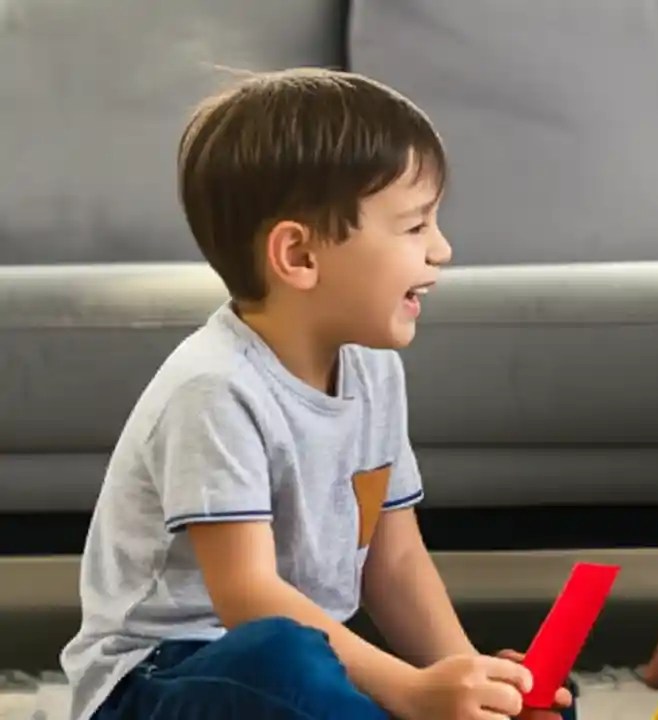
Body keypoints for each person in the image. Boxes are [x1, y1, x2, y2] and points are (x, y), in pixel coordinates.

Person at [59, 68, 574, 720]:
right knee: (286, 661)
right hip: (164, 678)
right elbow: (247, 598)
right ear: (299, 256)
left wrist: (460, 680)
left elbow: (395, 563)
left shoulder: (373, 370)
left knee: (526, 698)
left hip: (313, 669)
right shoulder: (214, 389)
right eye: (415, 227)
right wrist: (410, 693)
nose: (441, 248)